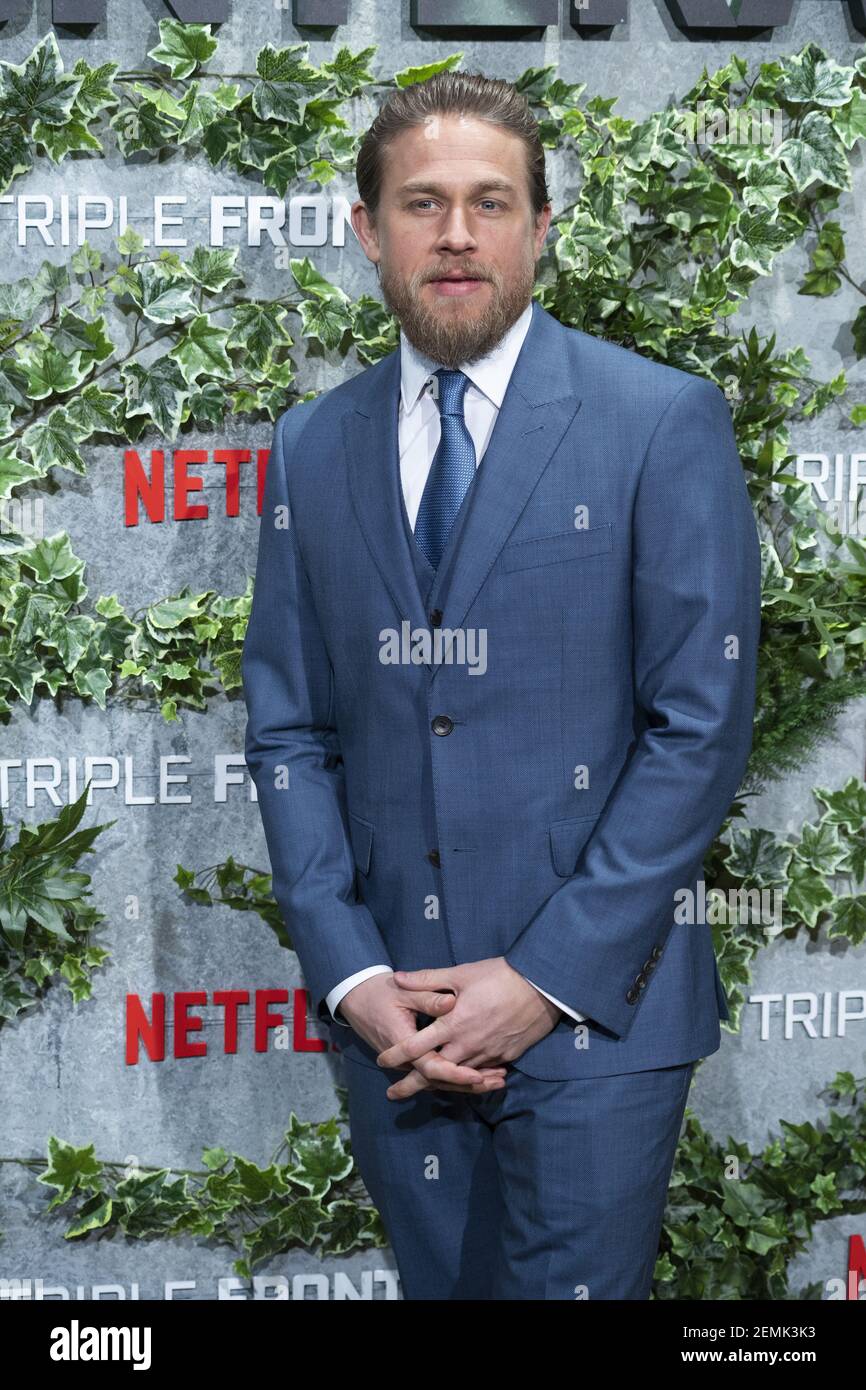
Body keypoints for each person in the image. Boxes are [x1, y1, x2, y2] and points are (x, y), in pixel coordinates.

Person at [241, 70, 761, 1300]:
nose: (458, 233)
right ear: (368, 230)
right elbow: (291, 730)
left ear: (539, 226)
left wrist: (541, 981)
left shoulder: (657, 420)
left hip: (594, 1023)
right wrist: (354, 975)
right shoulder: (311, 444)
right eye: (422, 204)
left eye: (491, 201)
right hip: (396, 1025)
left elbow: (697, 725)